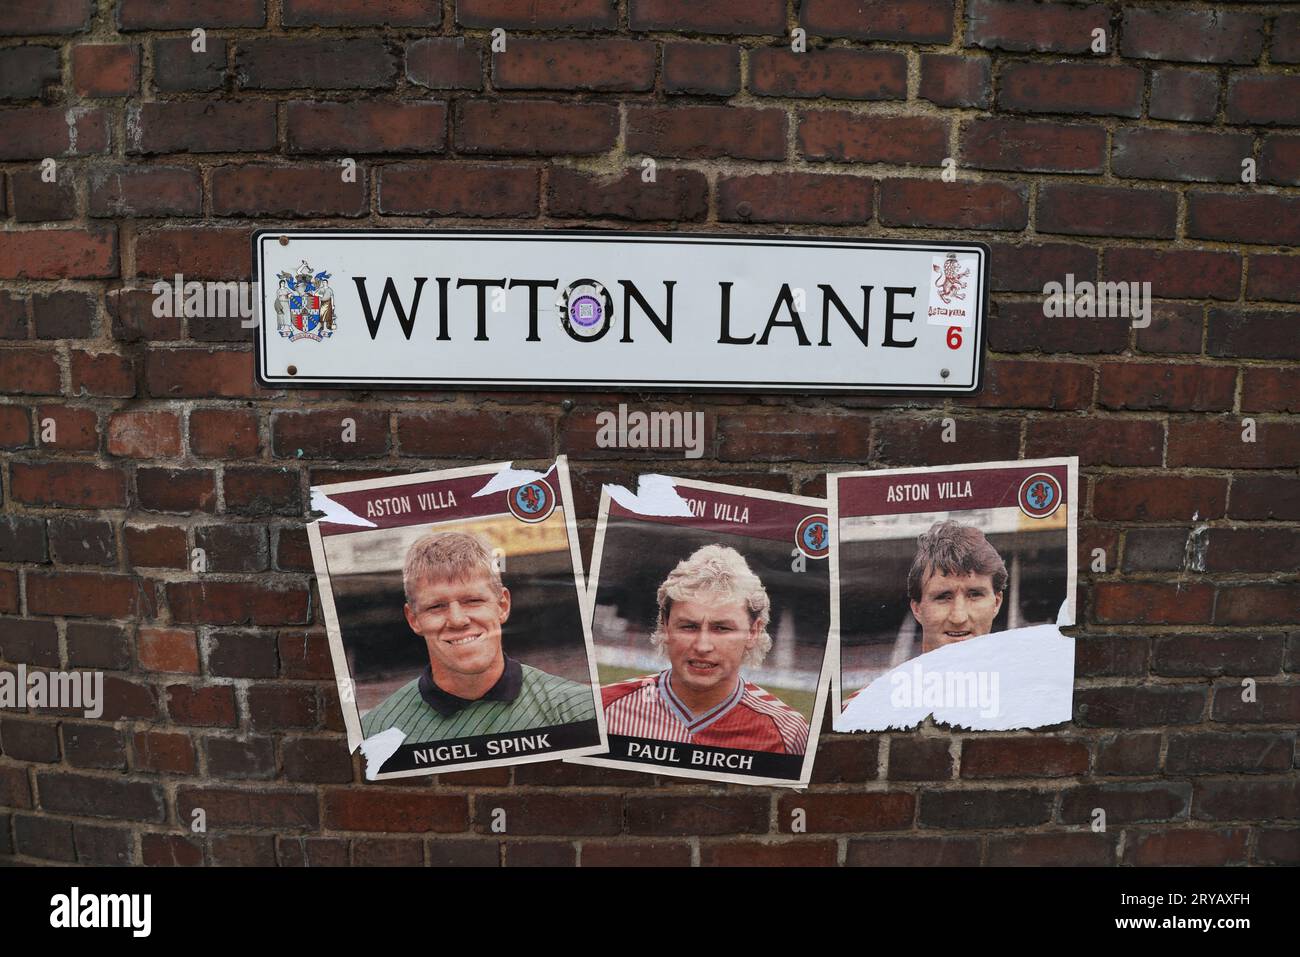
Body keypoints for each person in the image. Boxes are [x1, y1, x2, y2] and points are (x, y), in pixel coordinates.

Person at [361, 531, 595, 740]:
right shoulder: (377, 731)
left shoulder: (578, 709)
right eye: (436, 606)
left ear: (502, 605)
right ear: (413, 619)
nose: (457, 620)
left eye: (473, 601)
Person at [601, 544, 809, 754]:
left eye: (722, 628)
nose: (702, 646)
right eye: (688, 626)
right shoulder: (603, 710)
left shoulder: (789, 734)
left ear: (752, 632)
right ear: (665, 626)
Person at [907, 519, 1007, 655]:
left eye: (974, 595)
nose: (959, 618)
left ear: (996, 603)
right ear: (917, 609)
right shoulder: (898, 677)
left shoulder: (1016, 675)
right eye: (943, 597)